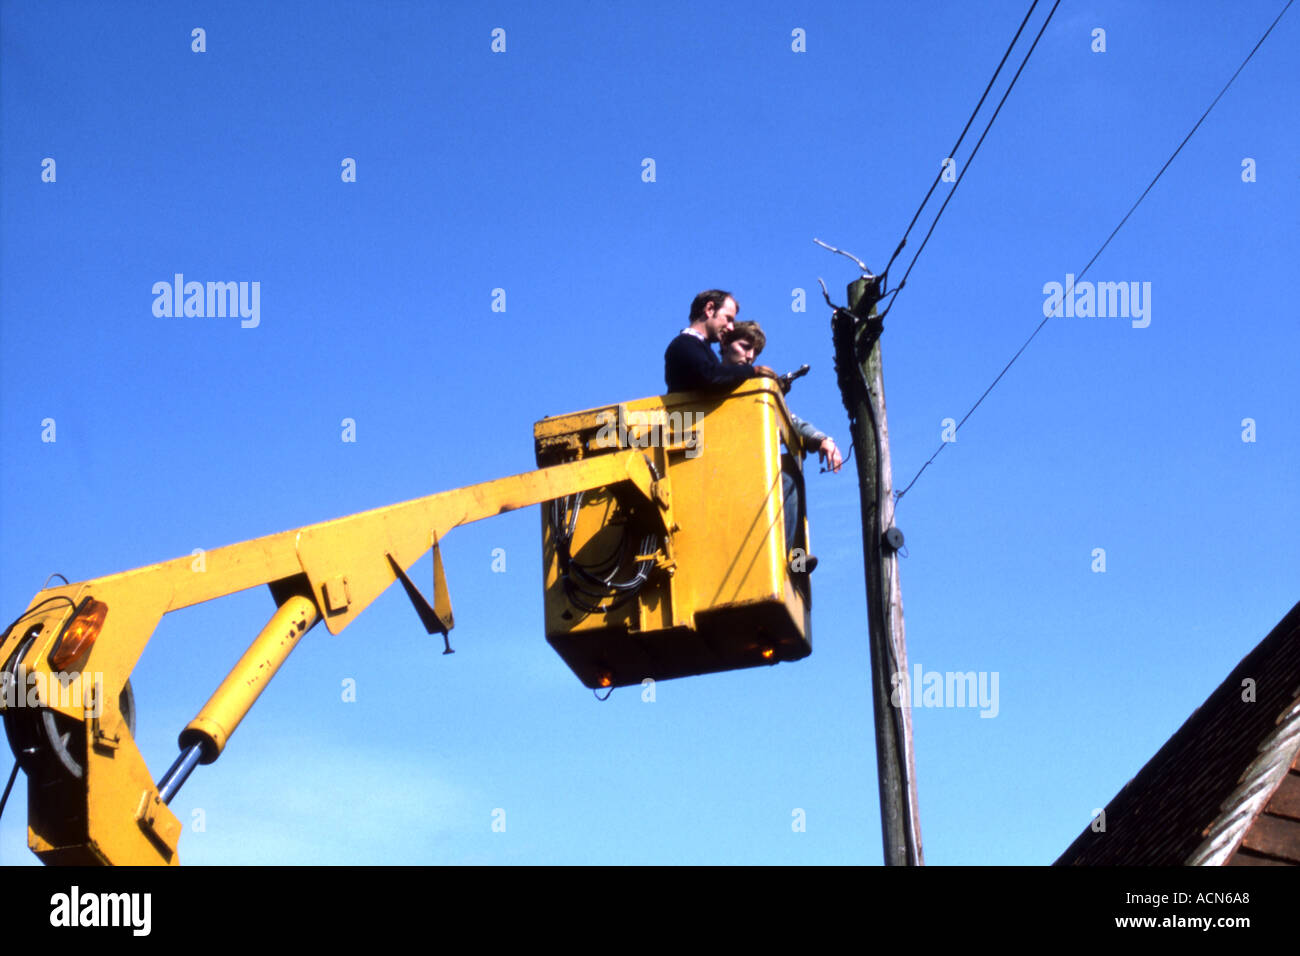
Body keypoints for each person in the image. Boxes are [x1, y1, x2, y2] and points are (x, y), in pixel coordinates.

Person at [720, 320, 844, 573]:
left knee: (790, 477)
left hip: (751, 469)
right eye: (744, 346)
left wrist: (821, 439)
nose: (750, 355)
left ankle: (794, 560)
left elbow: (792, 420)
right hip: (720, 470)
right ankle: (780, 561)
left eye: (755, 352)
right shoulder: (709, 379)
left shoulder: (755, 387)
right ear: (724, 343)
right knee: (786, 482)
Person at [664, 290, 779, 393]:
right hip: (685, 417)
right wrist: (753, 371)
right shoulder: (684, 344)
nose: (730, 327)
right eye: (728, 319)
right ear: (709, 309)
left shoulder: (700, 348)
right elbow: (710, 377)